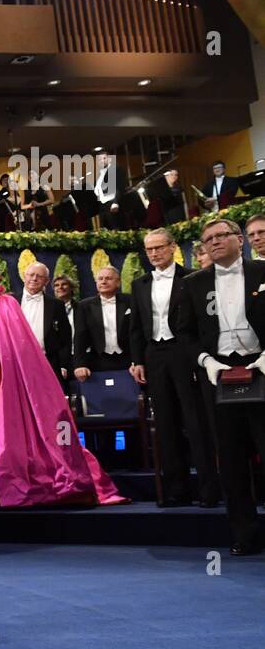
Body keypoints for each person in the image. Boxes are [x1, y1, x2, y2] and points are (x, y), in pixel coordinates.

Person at [0, 261, 125, 509]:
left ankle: (2, 486)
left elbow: (15, 339)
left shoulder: (8, 303)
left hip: (4, 373)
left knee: (1, 428)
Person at [175, 218, 265, 555]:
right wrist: (205, 361)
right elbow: (183, 334)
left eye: (220, 236)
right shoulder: (193, 283)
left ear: (238, 239)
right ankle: (245, 534)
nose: (213, 243)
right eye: (207, 239)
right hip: (218, 377)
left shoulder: (262, 272)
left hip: (262, 367)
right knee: (230, 459)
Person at [130, 229, 220, 507]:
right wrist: (137, 360)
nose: (154, 253)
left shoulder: (192, 277)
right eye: (149, 249)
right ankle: (176, 491)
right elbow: (135, 328)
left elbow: (201, 324)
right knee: (165, 424)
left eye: (159, 247)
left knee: (196, 423)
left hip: (185, 354)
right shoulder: (139, 284)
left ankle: (208, 491)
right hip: (154, 356)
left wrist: (198, 358)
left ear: (172, 247)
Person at [73, 266, 133, 380]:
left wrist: (137, 361)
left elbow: (137, 333)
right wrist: (79, 365)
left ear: (118, 282)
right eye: (100, 279)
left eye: (108, 278)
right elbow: (80, 337)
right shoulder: (84, 306)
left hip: (128, 360)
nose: (104, 282)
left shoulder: (131, 301)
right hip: (98, 360)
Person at [18, 262, 73, 382]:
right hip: (17, 363)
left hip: (48, 363)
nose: (34, 278)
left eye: (39, 276)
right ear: (24, 276)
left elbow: (65, 337)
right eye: (31, 275)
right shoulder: (11, 301)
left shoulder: (56, 305)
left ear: (46, 281)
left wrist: (63, 364)